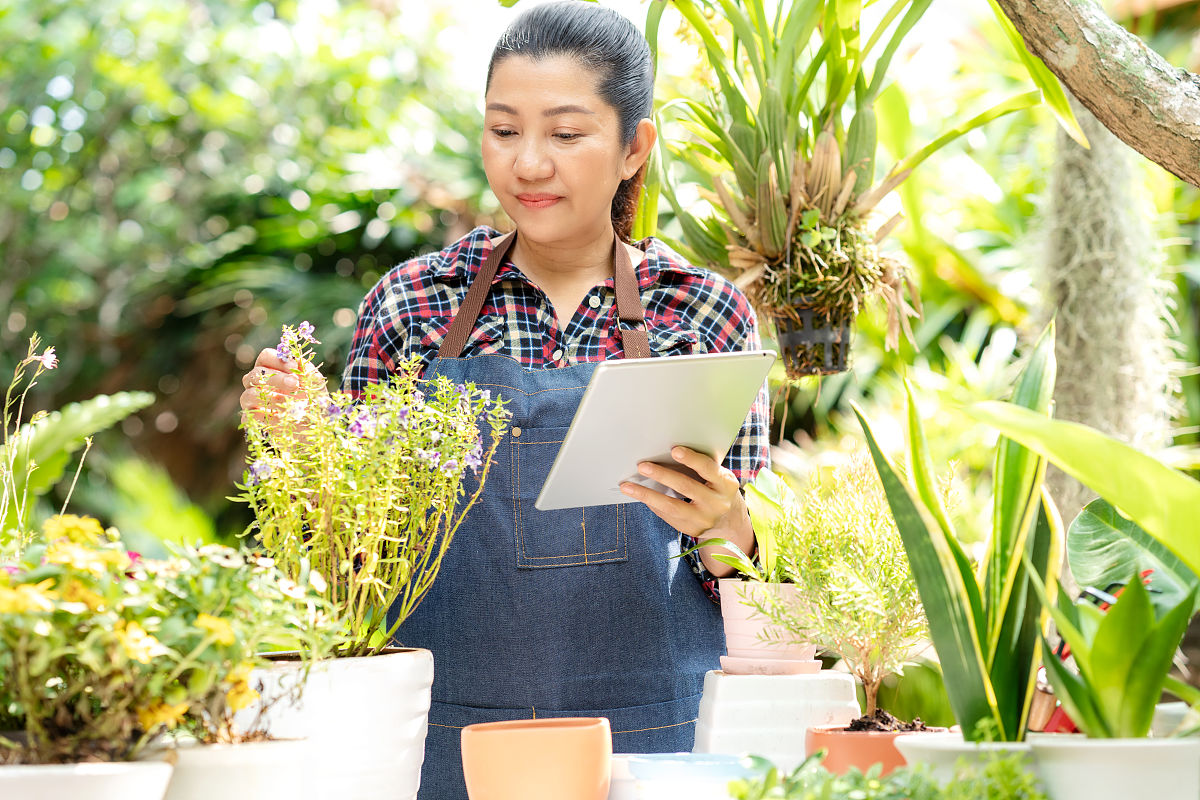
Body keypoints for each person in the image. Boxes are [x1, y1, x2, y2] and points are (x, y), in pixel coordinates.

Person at [238, 2, 769, 797]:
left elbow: (760, 600)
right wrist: (307, 448)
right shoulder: (415, 303)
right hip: (443, 740)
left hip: (656, 740)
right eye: (503, 129)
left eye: (564, 133)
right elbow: (348, 565)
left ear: (634, 148)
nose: (527, 164)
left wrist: (733, 531)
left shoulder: (702, 314)